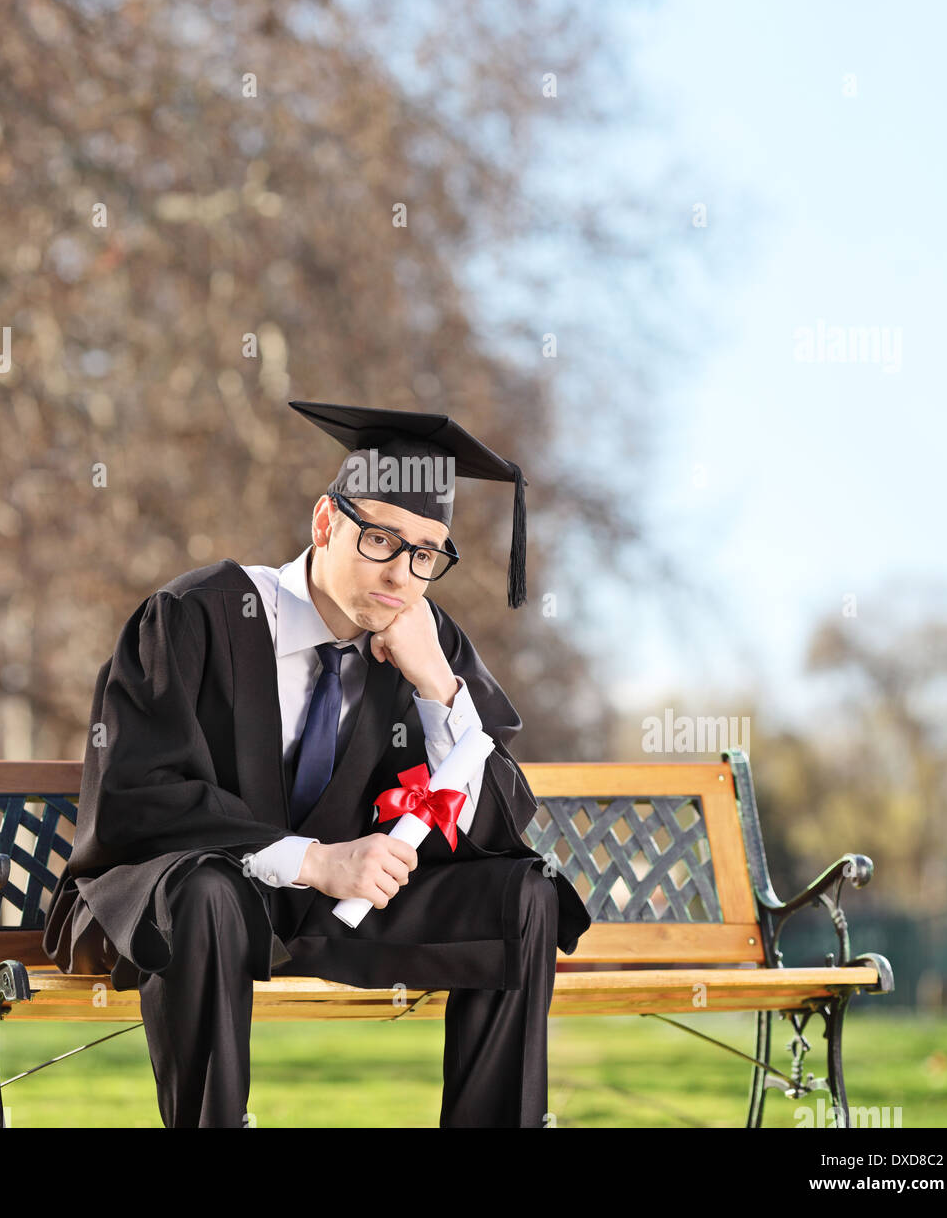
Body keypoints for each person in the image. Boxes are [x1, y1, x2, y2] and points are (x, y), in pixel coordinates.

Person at [42, 399, 592, 1127]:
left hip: (330, 919)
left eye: (426, 554)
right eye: (380, 540)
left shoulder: (427, 644)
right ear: (325, 523)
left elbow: (496, 826)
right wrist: (311, 860)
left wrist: (440, 690)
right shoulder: (198, 615)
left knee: (525, 893)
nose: (401, 574)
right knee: (207, 895)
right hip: (181, 905)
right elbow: (136, 796)